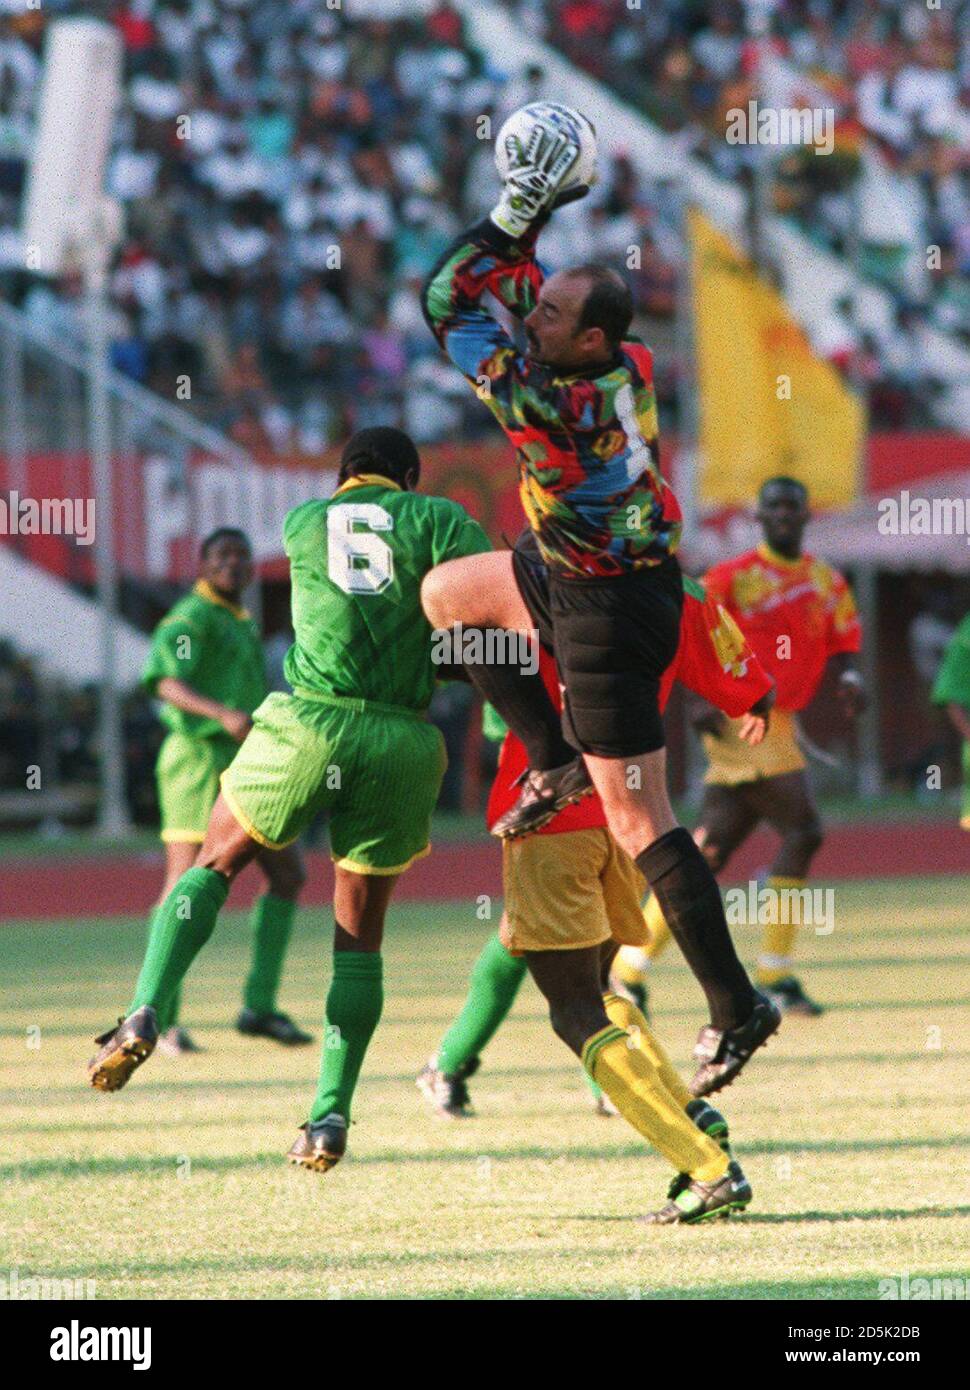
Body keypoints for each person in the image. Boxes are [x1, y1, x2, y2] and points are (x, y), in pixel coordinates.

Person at [420, 110, 779, 1095]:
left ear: (581, 338)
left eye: (544, 316)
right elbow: (505, 297)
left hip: (604, 614)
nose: (527, 316)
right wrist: (534, 235)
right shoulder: (626, 366)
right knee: (447, 595)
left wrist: (516, 207)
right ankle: (555, 759)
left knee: (644, 822)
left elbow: (447, 297)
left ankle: (735, 1004)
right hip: (584, 570)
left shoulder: (541, 405)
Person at [88, 428, 492, 1176]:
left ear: (344, 474)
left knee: (213, 863)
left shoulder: (303, 521)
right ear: (409, 476)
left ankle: (145, 1008)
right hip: (400, 737)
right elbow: (474, 617)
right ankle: (331, 1112)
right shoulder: (438, 517)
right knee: (360, 937)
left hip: (308, 719)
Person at [420, 553, 774, 1223]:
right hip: (623, 814)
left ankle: (706, 1168)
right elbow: (738, 669)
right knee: (601, 993)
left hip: (546, 815)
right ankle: (695, 1118)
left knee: (573, 1011)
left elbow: (446, 645)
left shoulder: (525, 590)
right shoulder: (672, 591)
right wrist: (753, 696)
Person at [621, 477, 865, 1016]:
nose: (782, 514)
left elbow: (844, 642)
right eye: (772, 506)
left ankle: (628, 967)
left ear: (806, 515)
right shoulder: (732, 576)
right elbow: (692, 627)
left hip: (781, 719)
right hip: (745, 718)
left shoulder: (828, 582)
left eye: (791, 506)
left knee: (708, 853)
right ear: (758, 516)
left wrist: (850, 678)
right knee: (804, 829)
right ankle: (775, 973)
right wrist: (701, 694)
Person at [139, 527, 309, 1052]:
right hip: (197, 759)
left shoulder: (238, 618)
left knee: (288, 873)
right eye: (222, 555)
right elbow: (164, 680)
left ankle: (258, 1006)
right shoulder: (191, 618)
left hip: (244, 762)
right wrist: (221, 713)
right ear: (202, 565)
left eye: (241, 554)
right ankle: (155, 1018)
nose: (234, 563)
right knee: (184, 883)